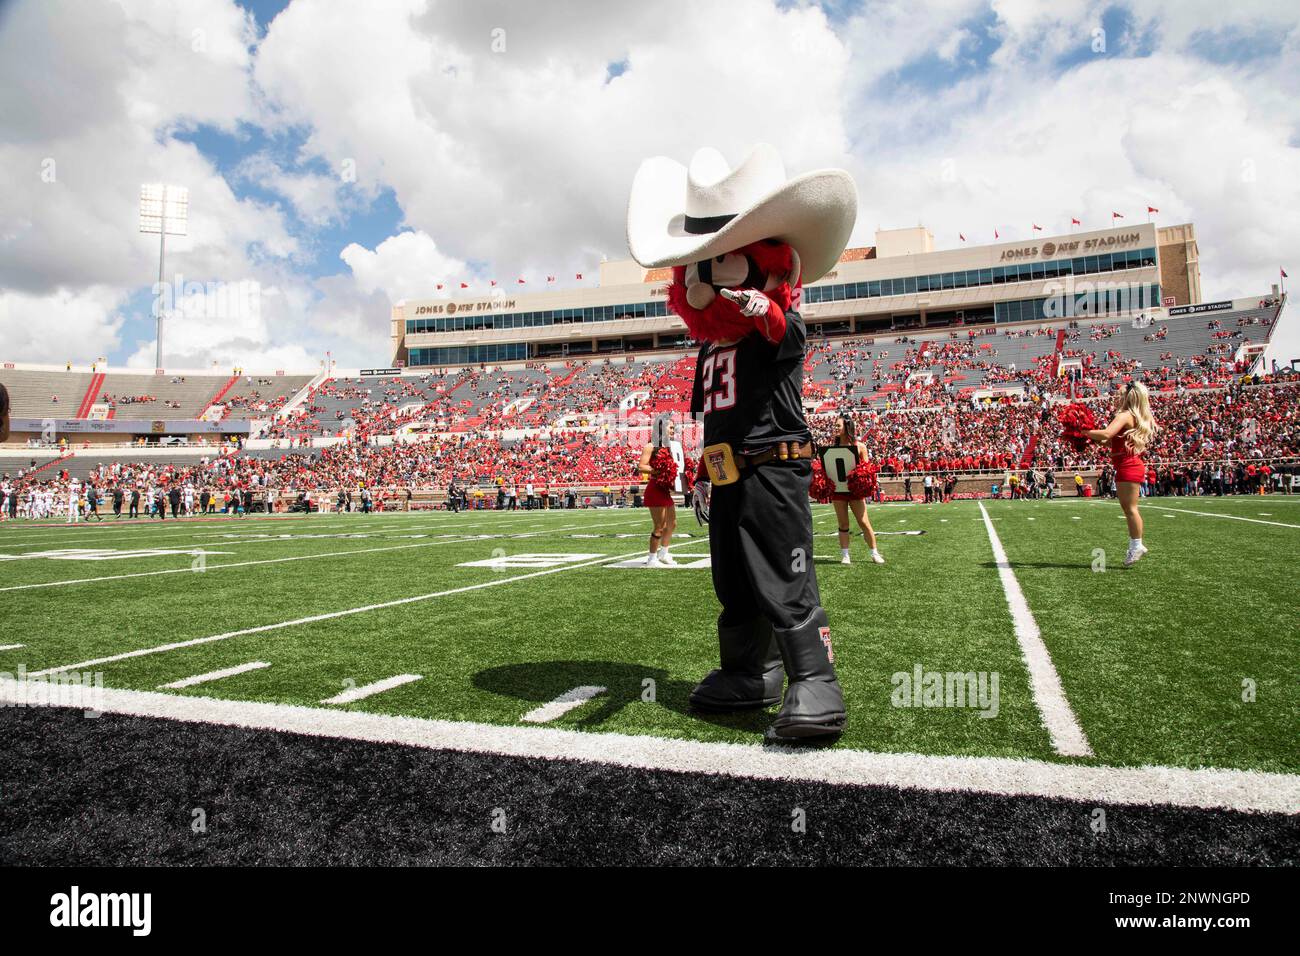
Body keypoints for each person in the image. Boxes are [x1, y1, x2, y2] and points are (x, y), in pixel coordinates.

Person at [1084, 381, 1157, 567]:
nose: (1118, 398)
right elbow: (1111, 442)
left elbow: (1107, 434)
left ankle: (1137, 546)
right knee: (1129, 509)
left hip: (1128, 465)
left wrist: (1083, 431)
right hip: (1126, 463)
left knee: (1130, 509)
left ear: (1128, 397)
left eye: (1120, 395)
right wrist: (1091, 437)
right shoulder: (1131, 416)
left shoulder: (1125, 415)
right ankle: (1136, 545)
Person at [823, 416, 883, 565]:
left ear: (847, 427)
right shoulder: (832, 448)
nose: (835, 428)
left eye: (838, 426)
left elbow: (868, 470)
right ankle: (845, 555)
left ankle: (874, 553)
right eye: (835, 426)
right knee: (843, 524)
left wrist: (859, 480)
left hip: (855, 491)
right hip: (839, 491)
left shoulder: (860, 446)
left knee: (863, 522)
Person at [636, 414, 680, 568]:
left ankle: (664, 552)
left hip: (665, 490)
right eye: (671, 427)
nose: (673, 430)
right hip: (655, 489)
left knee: (672, 523)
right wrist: (658, 470)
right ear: (661, 428)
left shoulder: (671, 447)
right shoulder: (650, 446)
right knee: (659, 526)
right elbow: (641, 466)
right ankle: (652, 558)